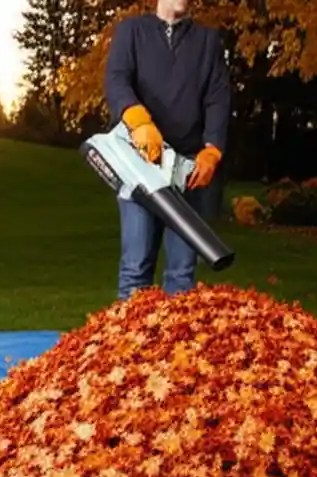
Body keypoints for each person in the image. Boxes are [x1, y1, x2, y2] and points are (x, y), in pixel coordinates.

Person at [103, 0, 232, 301]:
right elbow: (116, 80)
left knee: (182, 272)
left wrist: (212, 149)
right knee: (135, 269)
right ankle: (130, 344)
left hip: (188, 172)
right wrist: (138, 121)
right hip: (139, 165)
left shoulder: (207, 41)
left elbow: (217, 97)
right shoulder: (131, 32)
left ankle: (175, 347)